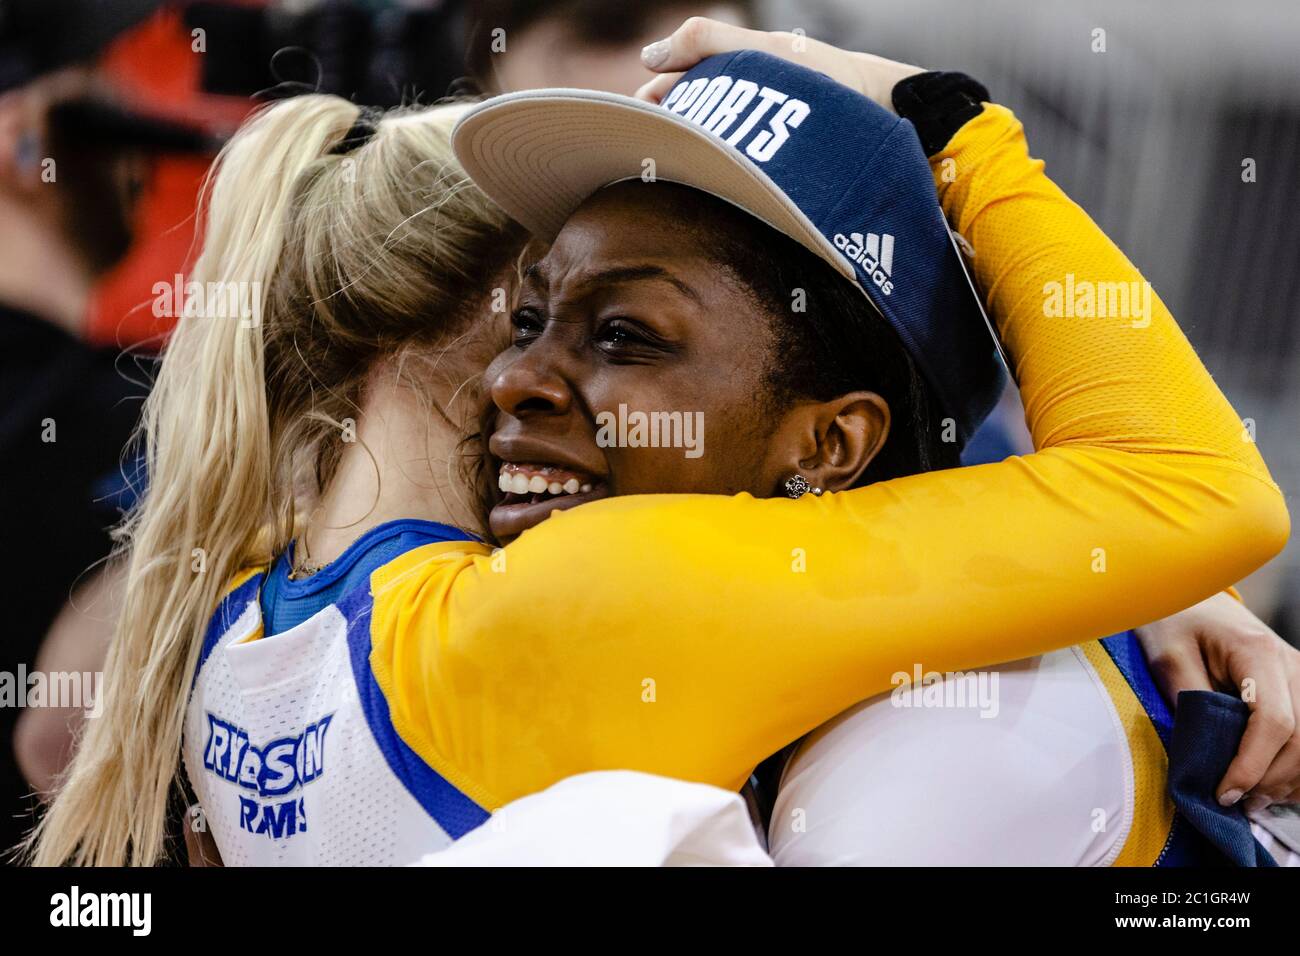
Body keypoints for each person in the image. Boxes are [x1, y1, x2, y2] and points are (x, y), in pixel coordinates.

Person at [29, 43, 1288, 867]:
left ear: (833, 446)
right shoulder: (600, 606)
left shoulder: (231, 626)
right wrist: (956, 126)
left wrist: (1149, 579)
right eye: (528, 319)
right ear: (436, 349)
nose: (528, 379)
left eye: (622, 333)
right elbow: (1175, 485)